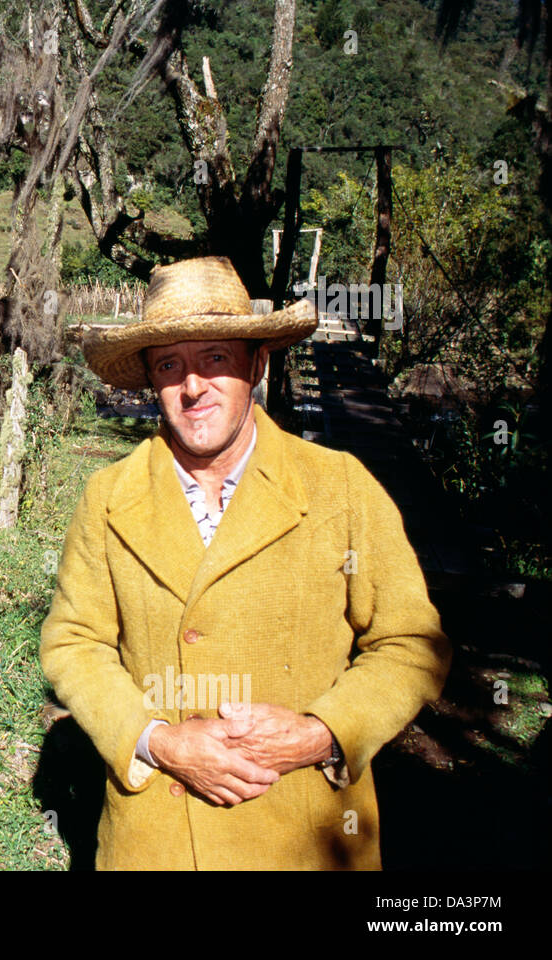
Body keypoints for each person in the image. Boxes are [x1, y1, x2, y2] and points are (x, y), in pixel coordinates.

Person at [40, 256, 451, 869]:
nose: (193, 386)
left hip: (305, 832)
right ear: (151, 381)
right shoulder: (108, 498)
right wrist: (157, 742)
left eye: (215, 358)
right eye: (170, 365)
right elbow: (75, 642)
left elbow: (410, 642)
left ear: (256, 365)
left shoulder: (340, 488)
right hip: (157, 838)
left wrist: (323, 732)